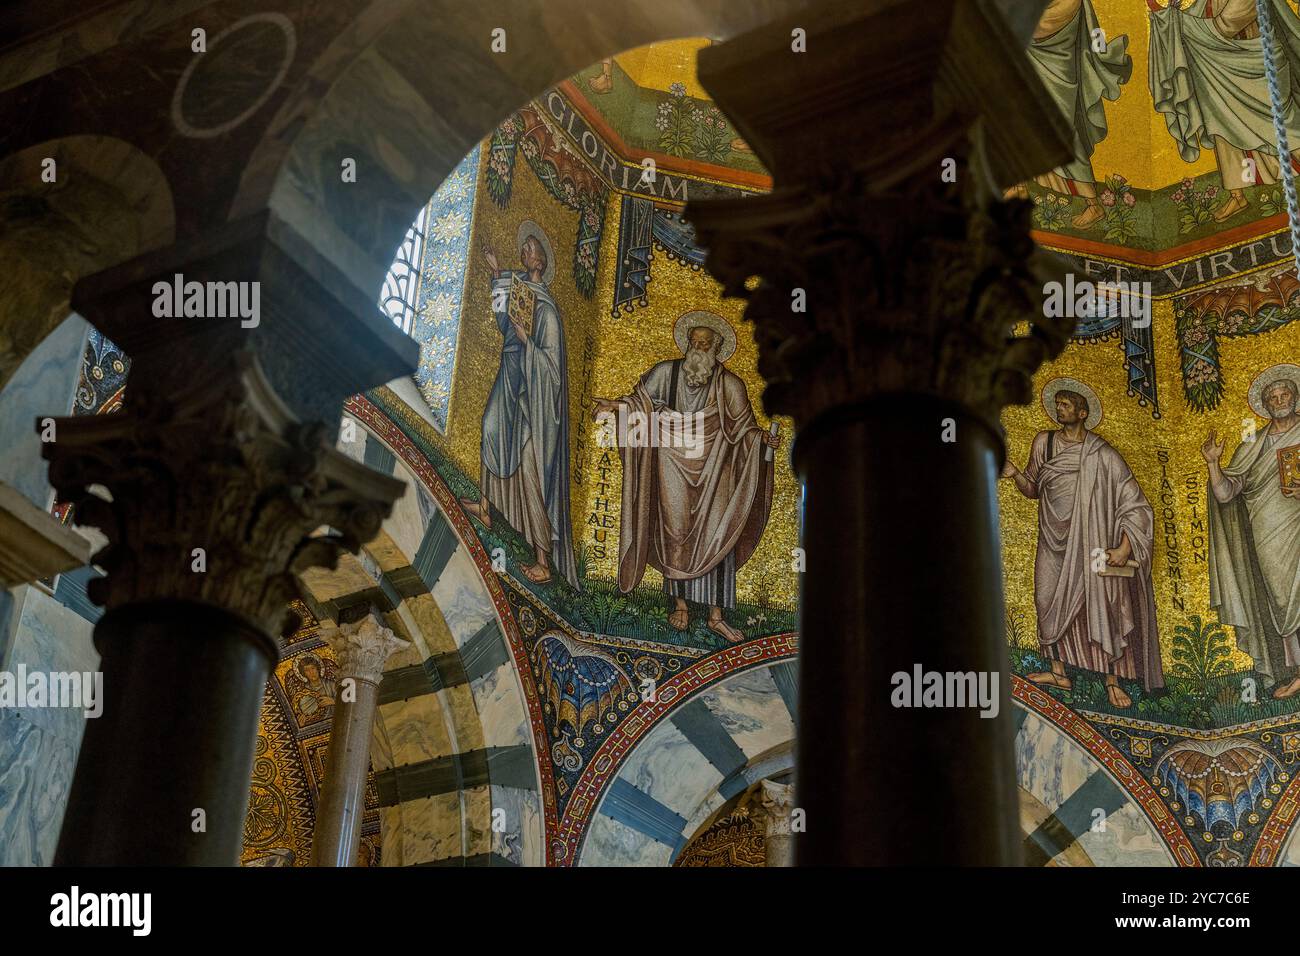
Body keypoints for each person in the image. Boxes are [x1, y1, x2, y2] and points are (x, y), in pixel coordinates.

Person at [1002, 380, 1164, 707]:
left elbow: (1135, 505)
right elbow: (1033, 488)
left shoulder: (1102, 454)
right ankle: (1059, 671)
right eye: (1057, 403)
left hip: (1092, 544)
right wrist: (1014, 473)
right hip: (1052, 541)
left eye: (1065, 404)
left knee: (1101, 606)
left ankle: (1111, 681)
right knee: (1046, 598)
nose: (1058, 409)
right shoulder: (1043, 443)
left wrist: (1123, 548)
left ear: (1082, 412)